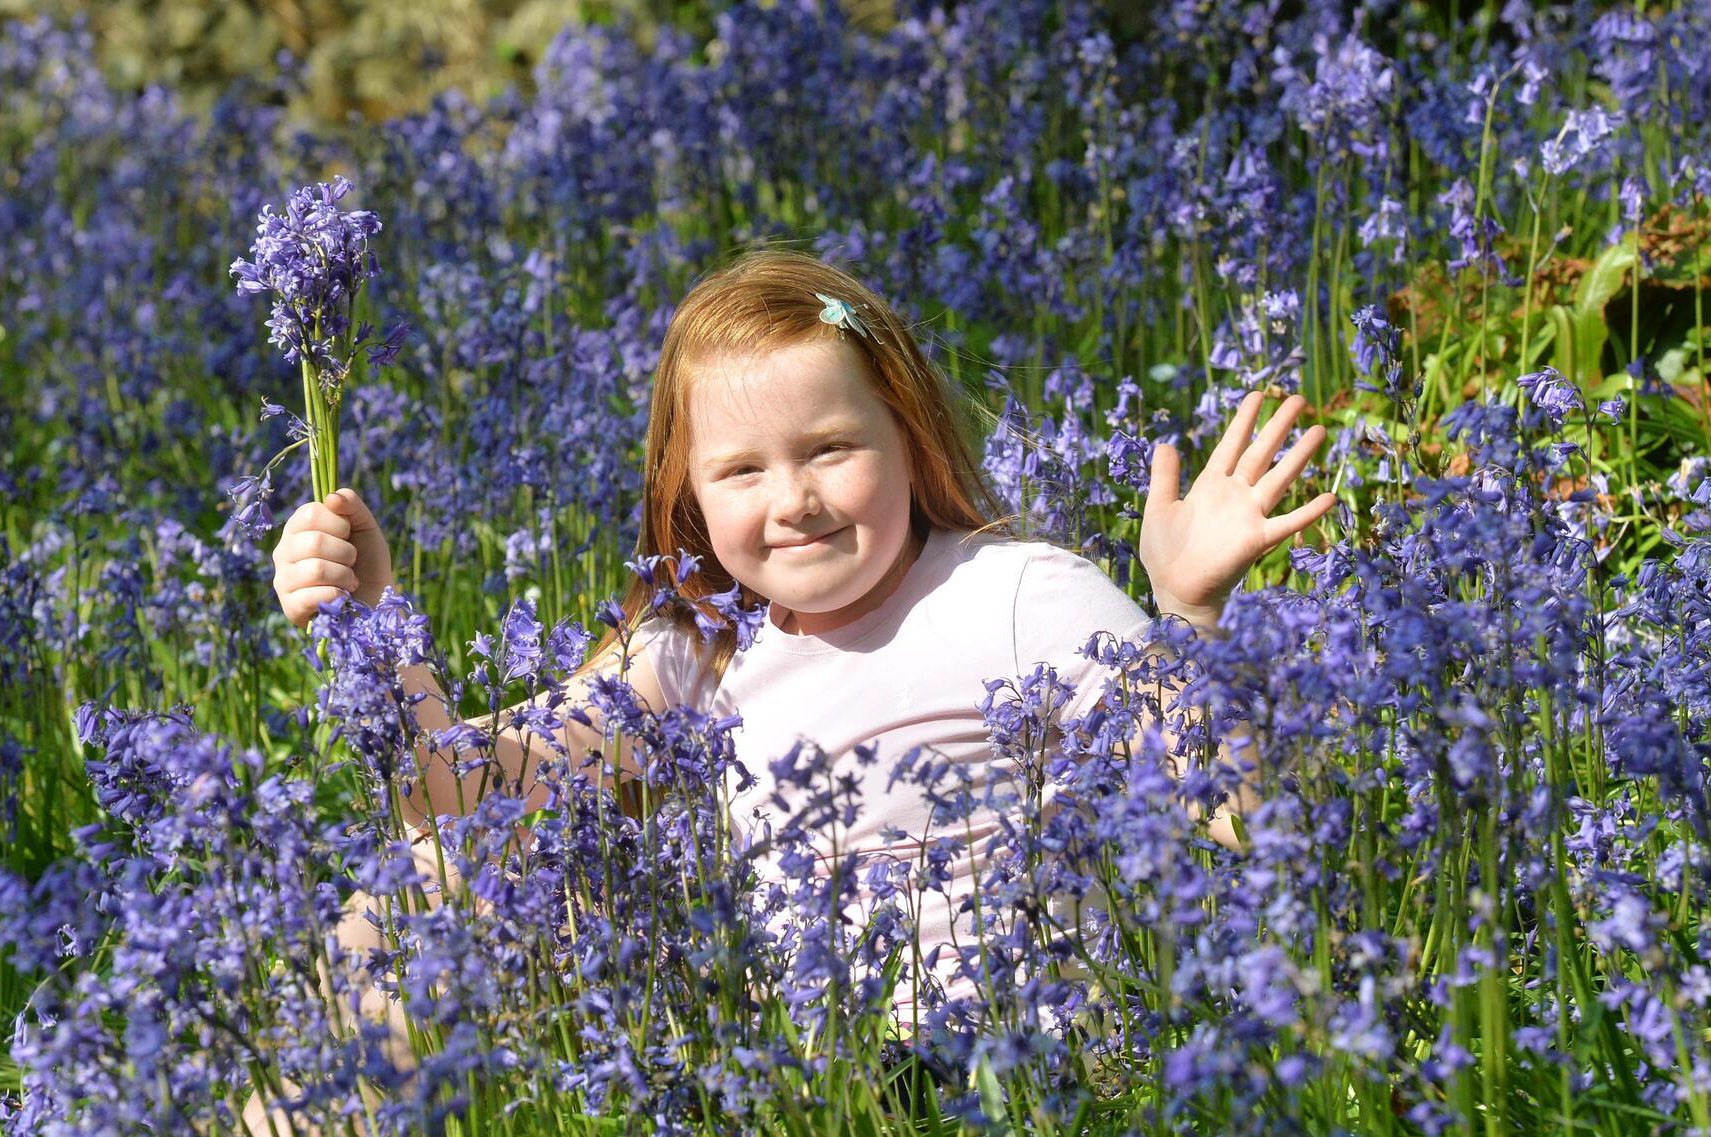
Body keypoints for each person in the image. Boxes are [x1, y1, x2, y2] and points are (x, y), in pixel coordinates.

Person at [247, 249, 1335, 1131]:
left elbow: (1241, 815)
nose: (795, 499)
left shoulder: (1017, 592)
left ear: (908, 438)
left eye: (830, 448)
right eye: (742, 470)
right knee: (427, 886)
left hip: (999, 1072)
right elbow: (460, 796)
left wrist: (1187, 616)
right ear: (688, 491)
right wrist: (373, 627)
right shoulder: (699, 649)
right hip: (797, 1079)